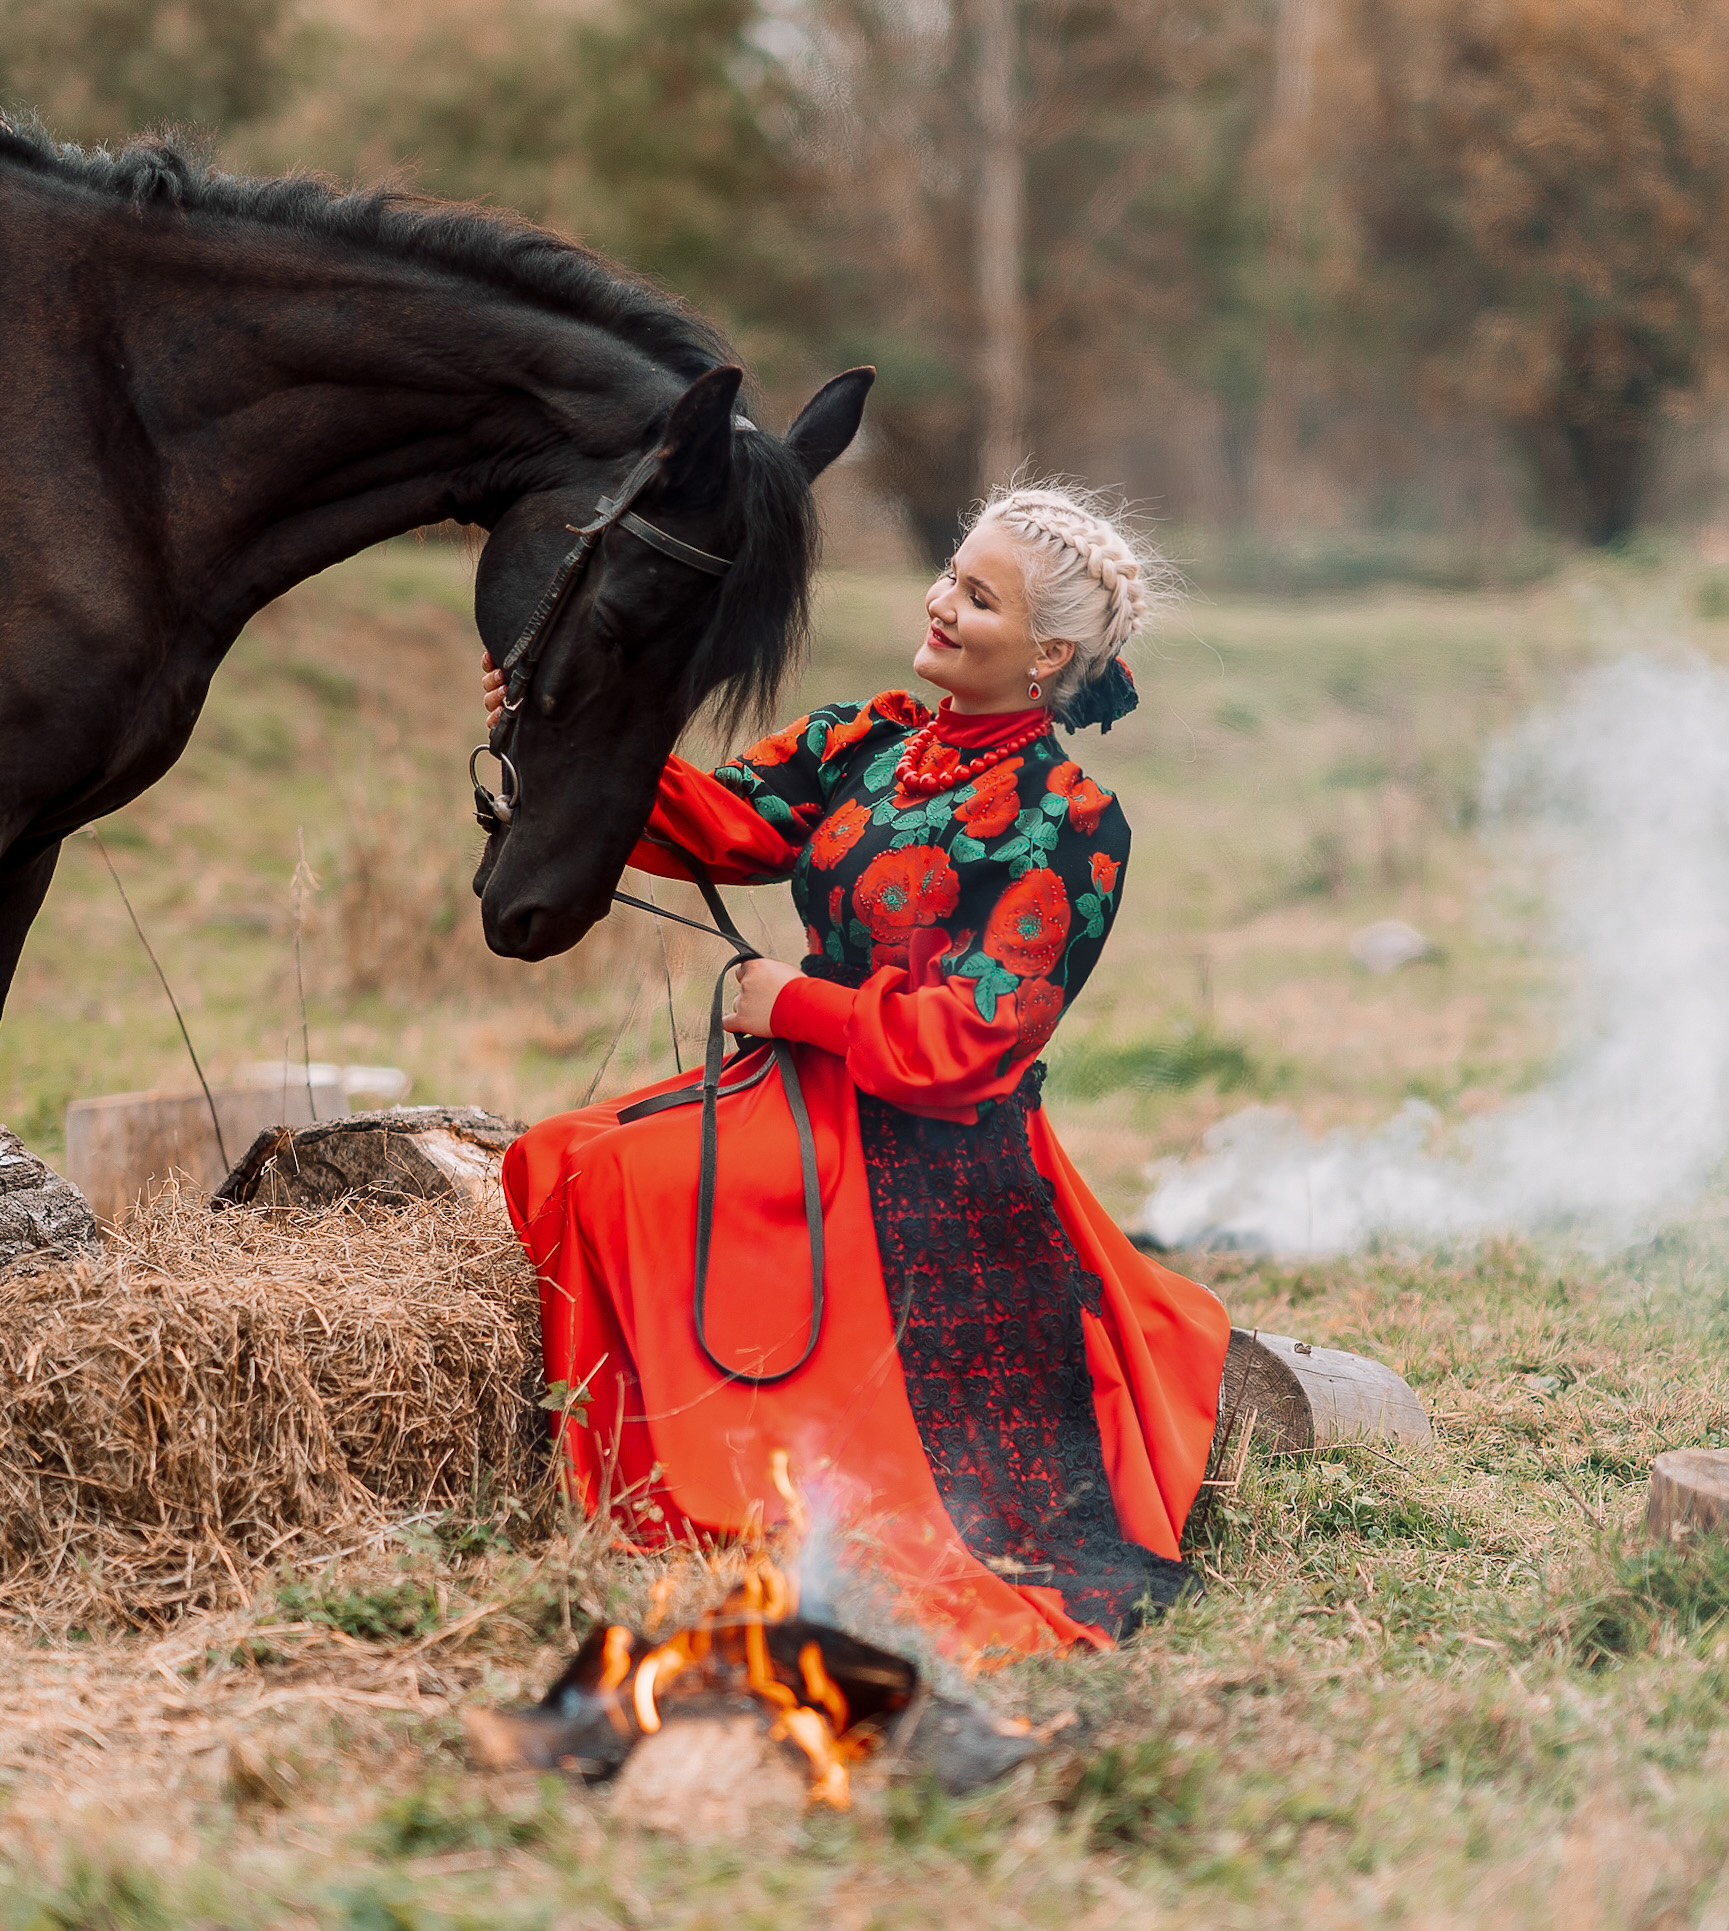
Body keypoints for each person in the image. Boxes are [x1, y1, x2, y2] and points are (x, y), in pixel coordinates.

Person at [490, 482, 1232, 1662]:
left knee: (629, 1179)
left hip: (932, 1146)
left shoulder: (1071, 821)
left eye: (977, 598)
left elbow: (968, 1047)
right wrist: (564, 716)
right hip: (804, 1090)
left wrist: (797, 1000)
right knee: (560, 1156)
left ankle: (699, 1499)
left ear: (1044, 655)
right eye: (951, 573)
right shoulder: (876, 735)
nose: (940, 602)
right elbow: (725, 825)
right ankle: (636, 1491)